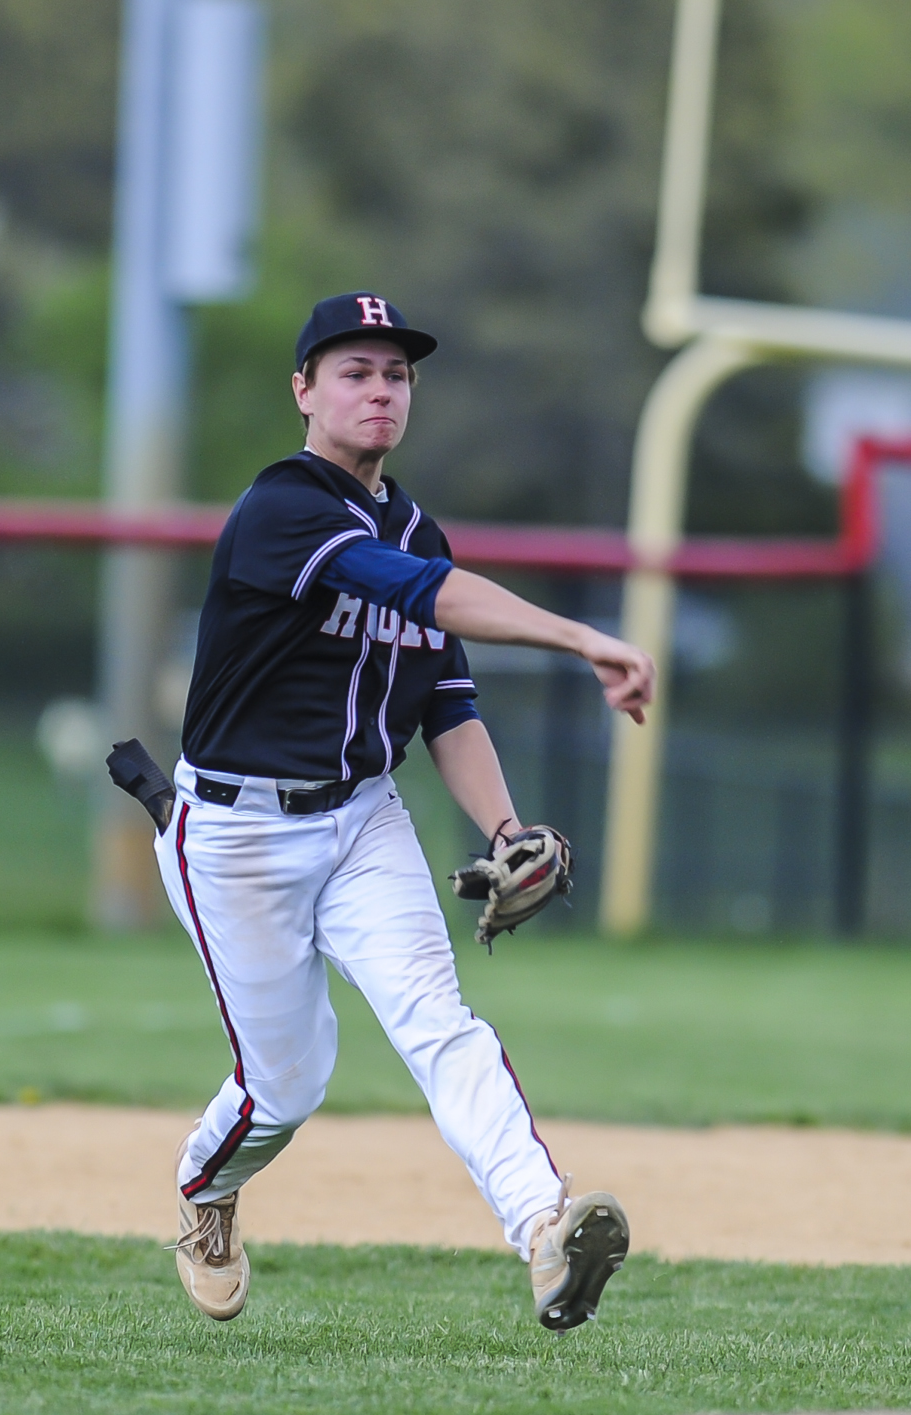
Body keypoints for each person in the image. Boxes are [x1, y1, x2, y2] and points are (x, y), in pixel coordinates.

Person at [157, 292, 654, 1328]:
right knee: (286, 1087)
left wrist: (506, 829)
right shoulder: (283, 507)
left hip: (363, 819)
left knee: (442, 1024)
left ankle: (544, 1230)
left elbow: (447, 706)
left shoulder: (415, 526)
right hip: (239, 832)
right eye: (355, 371)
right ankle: (206, 1189)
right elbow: (432, 597)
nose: (380, 389)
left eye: (397, 374)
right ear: (304, 390)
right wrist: (581, 637)